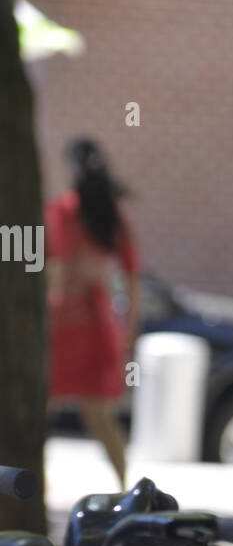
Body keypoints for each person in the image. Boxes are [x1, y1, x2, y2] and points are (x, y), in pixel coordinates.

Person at [45, 138, 140, 488]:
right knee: (100, 416)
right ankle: (125, 489)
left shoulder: (61, 210)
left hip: (61, 323)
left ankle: (29, 490)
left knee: (37, 410)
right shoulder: (113, 216)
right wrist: (128, 329)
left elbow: (44, 264)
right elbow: (132, 280)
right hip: (99, 325)